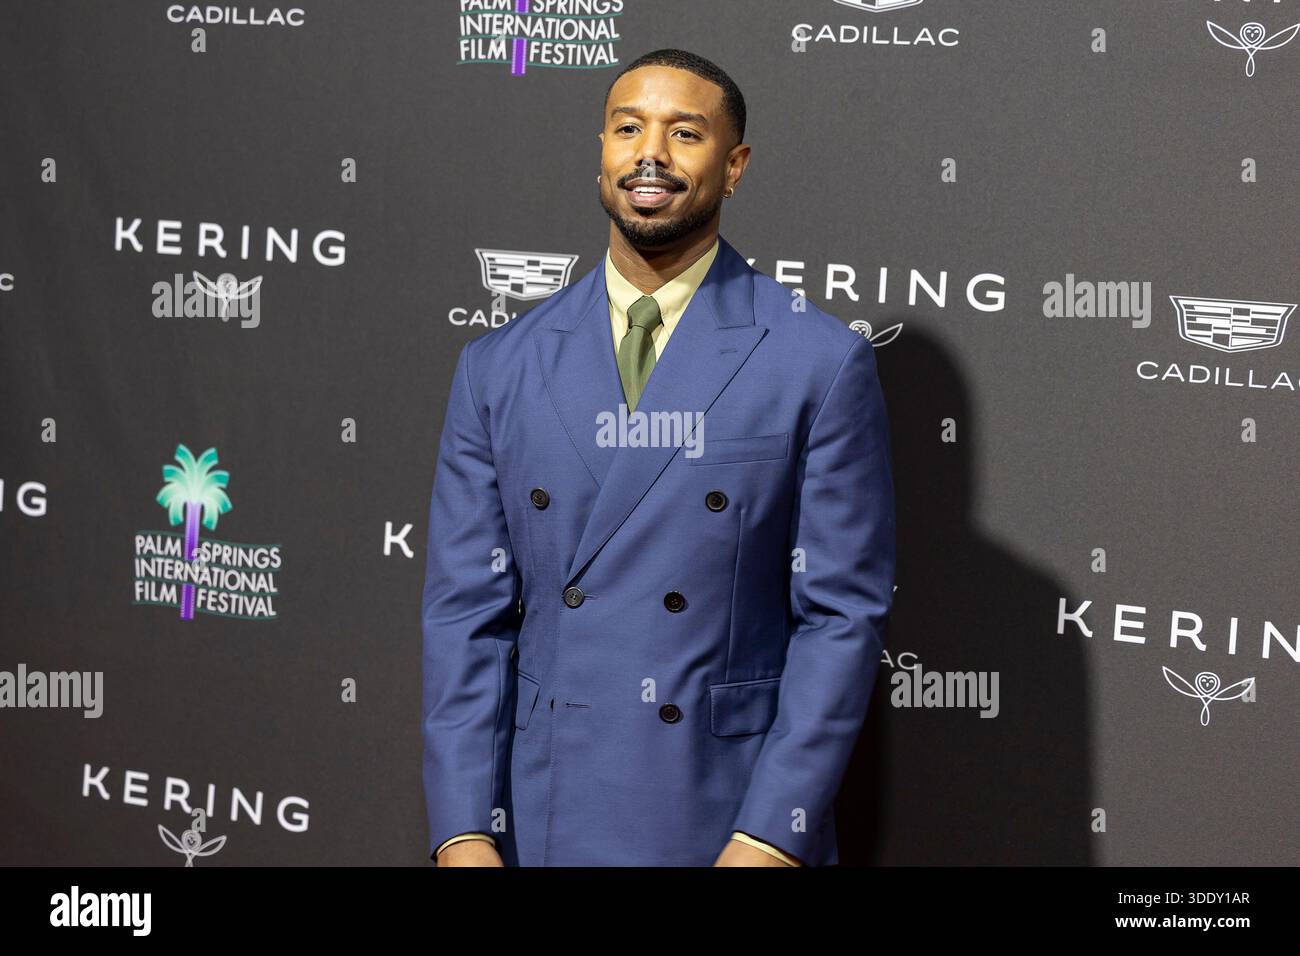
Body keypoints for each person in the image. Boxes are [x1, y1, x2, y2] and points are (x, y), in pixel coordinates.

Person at [422, 48, 896, 867]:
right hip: (541, 817)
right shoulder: (499, 366)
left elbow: (840, 618)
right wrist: (462, 832)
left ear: (735, 165)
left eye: (685, 133)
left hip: (721, 815)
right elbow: (467, 617)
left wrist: (769, 838)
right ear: (601, 152)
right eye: (628, 128)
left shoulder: (816, 360)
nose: (651, 154)